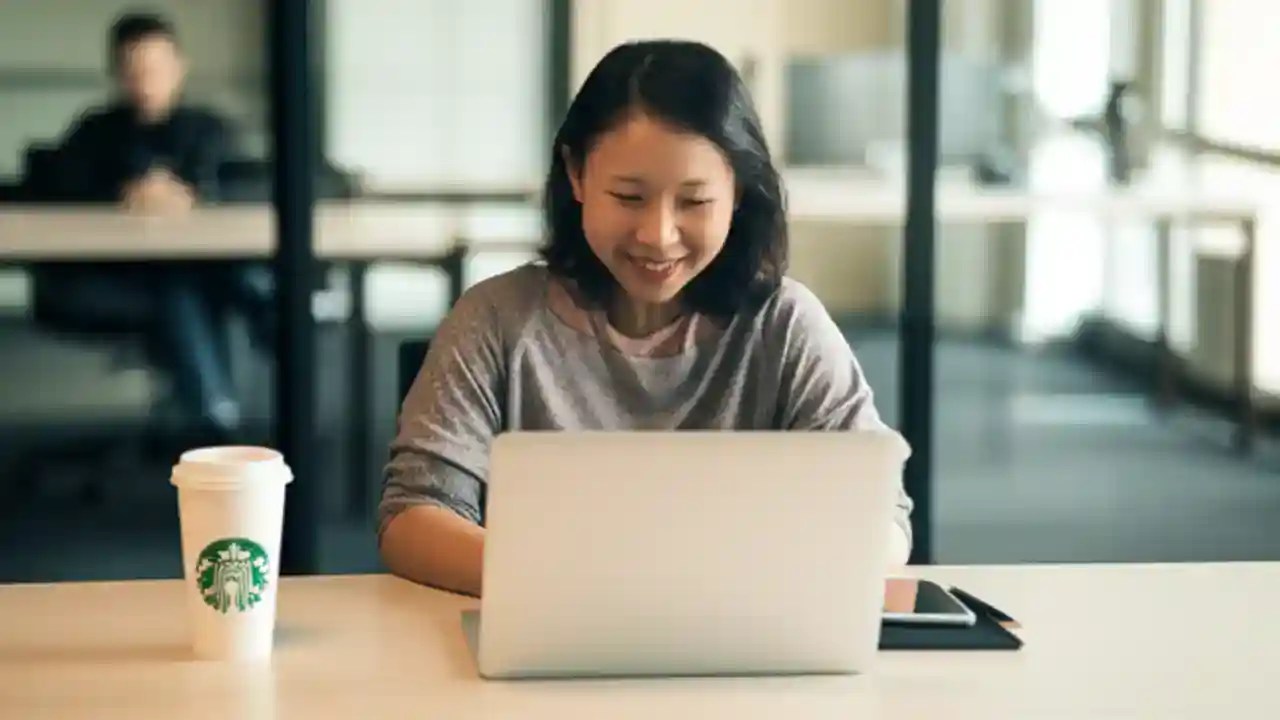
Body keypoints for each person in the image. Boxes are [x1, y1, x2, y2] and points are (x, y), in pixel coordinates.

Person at [379, 40, 914, 597]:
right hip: (548, 640)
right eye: (629, 197)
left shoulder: (784, 325)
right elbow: (414, 517)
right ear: (577, 174)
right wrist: (590, 586)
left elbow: (882, 513)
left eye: (694, 201)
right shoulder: (496, 320)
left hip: (743, 648)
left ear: (737, 192)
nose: (658, 235)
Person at [44, 12, 274, 438]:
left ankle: (217, 409)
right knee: (181, 286)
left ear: (178, 67)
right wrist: (123, 195)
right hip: (115, 278)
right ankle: (215, 417)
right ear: (117, 74)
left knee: (207, 280)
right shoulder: (95, 133)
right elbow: (57, 188)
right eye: (134, 70)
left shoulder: (209, 129)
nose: (146, 81)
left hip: (202, 270)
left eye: (156, 68)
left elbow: (242, 180)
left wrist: (194, 195)